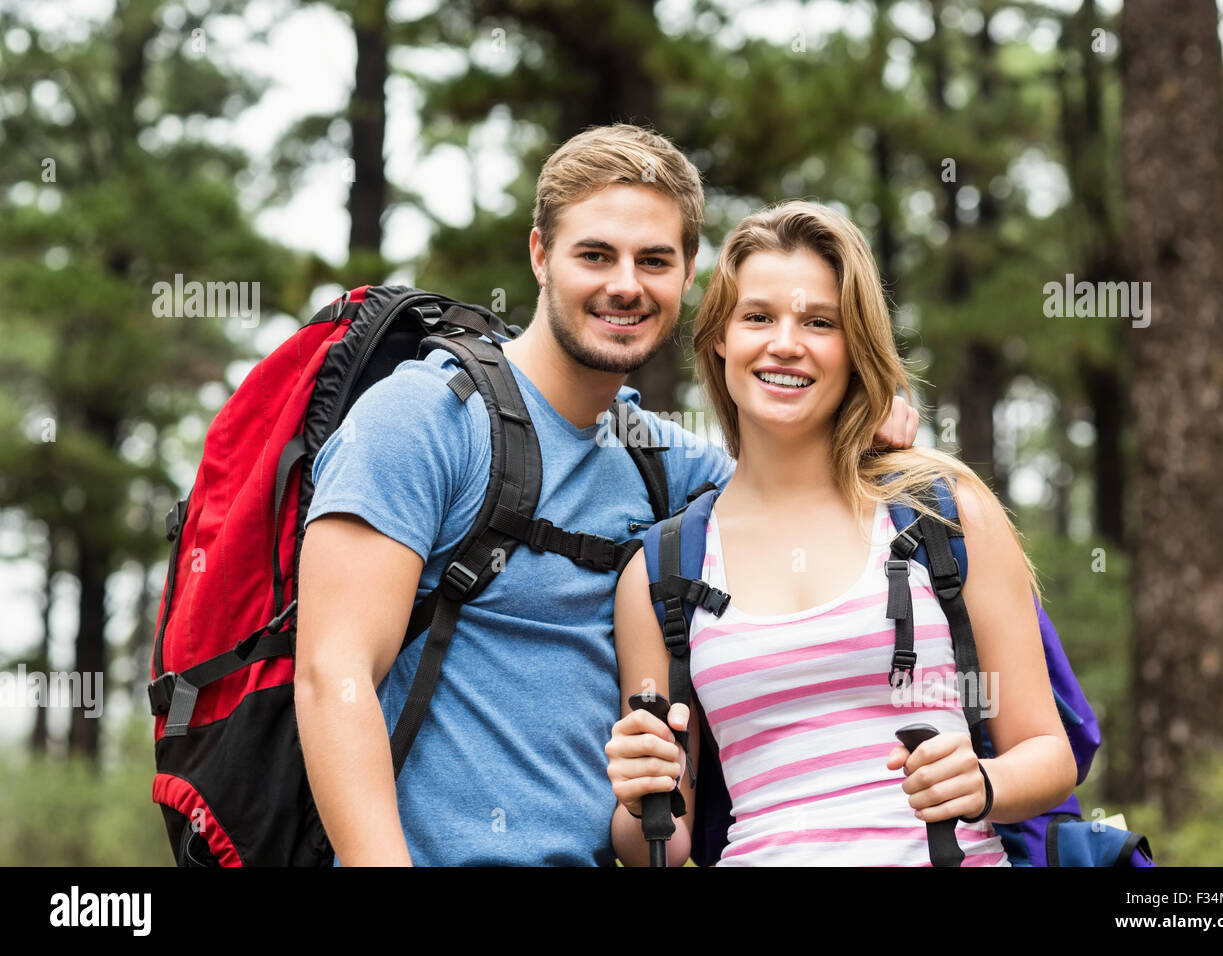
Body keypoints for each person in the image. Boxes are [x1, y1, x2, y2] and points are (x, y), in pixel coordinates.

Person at [293, 126, 919, 866]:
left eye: (654, 260)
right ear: (539, 256)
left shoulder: (670, 468)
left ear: (688, 277)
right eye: (595, 254)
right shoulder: (424, 419)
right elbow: (331, 675)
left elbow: (791, 496)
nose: (626, 283)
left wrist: (863, 415)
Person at [606, 200, 1077, 866]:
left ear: (854, 346)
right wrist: (637, 796)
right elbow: (660, 842)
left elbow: (1050, 756)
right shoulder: (661, 569)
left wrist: (981, 782)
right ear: (720, 337)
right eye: (758, 317)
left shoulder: (945, 512)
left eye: (818, 322)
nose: (786, 342)